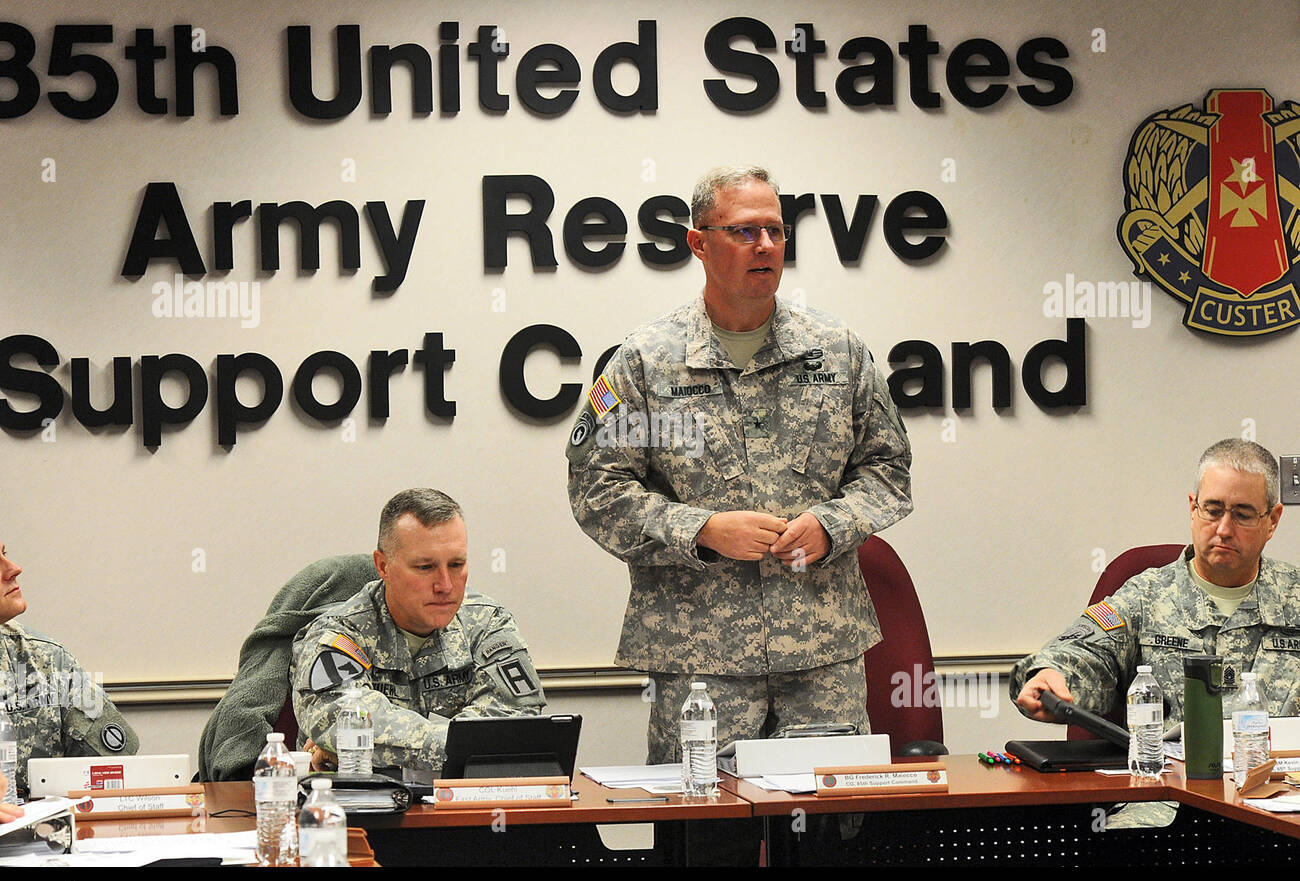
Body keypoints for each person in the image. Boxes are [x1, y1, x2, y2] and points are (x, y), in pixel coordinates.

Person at [566, 164, 913, 763]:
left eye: (776, 232)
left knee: (828, 835)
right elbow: (597, 490)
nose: (767, 247)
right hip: (701, 659)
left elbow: (889, 471)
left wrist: (832, 524)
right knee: (706, 834)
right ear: (698, 243)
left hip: (822, 650)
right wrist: (700, 529)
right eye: (745, 232)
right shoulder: (645, 361)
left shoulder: (838, 349)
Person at [1012, 438, 1300, 726]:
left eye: (1242, 515)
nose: (1224, 529)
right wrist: (1051, 674)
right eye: (1212, 510)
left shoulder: (1294, 597)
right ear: (1193, 508)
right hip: (1164, 769)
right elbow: (1084, 654)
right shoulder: (1146, 598)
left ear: (1272, 521)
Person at [290, 489, 545, 777]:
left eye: (456, 565)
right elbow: (341, 722)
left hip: (468, 808)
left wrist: (373, 751)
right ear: (383, 566)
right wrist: (461, 746)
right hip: (363, 810)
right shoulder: (340, 634)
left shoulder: (487, 623)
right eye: (426, 567)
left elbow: (515, 723)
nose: (445, 585)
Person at [0, 538, 139, 794]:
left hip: (42, 831)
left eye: (4, 554)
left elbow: (116, 767)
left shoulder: (46, 660)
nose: (14, 568)